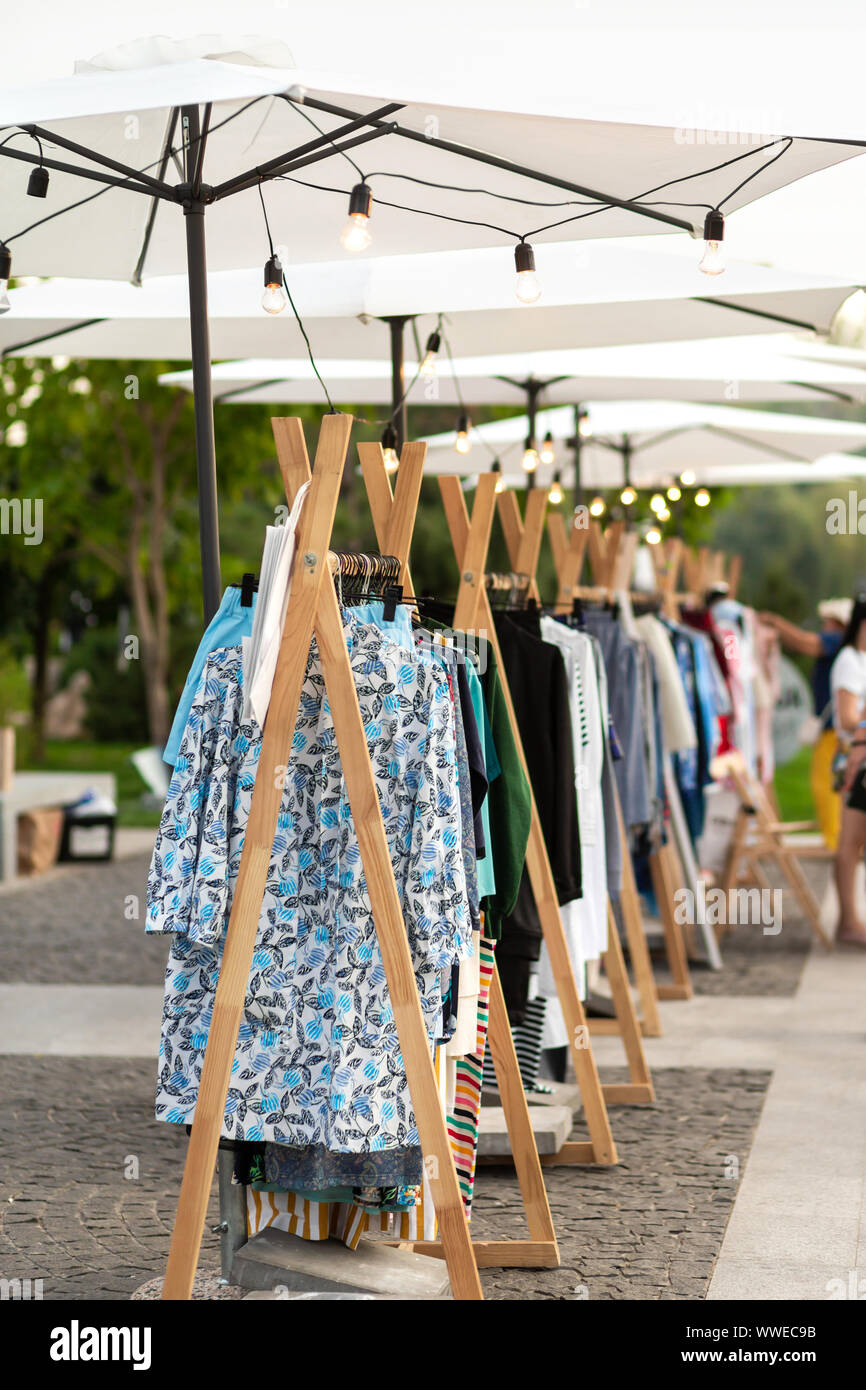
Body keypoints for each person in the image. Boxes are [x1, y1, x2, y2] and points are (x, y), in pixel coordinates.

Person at [760, 599, 851, 849]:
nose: (823, 626)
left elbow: (805, 643)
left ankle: (836, 841)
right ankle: (838, 839)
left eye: (827, 621)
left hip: (834, 731)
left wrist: (775, 623)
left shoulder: (836, 640)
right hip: (837, 730)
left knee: (827, 786)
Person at [829, 596, 866, 945]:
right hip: (856, 759)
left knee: (853, 841)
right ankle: (849, 921)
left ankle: (851, 921)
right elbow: (848, 718)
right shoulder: (850, 662)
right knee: (850, 842)